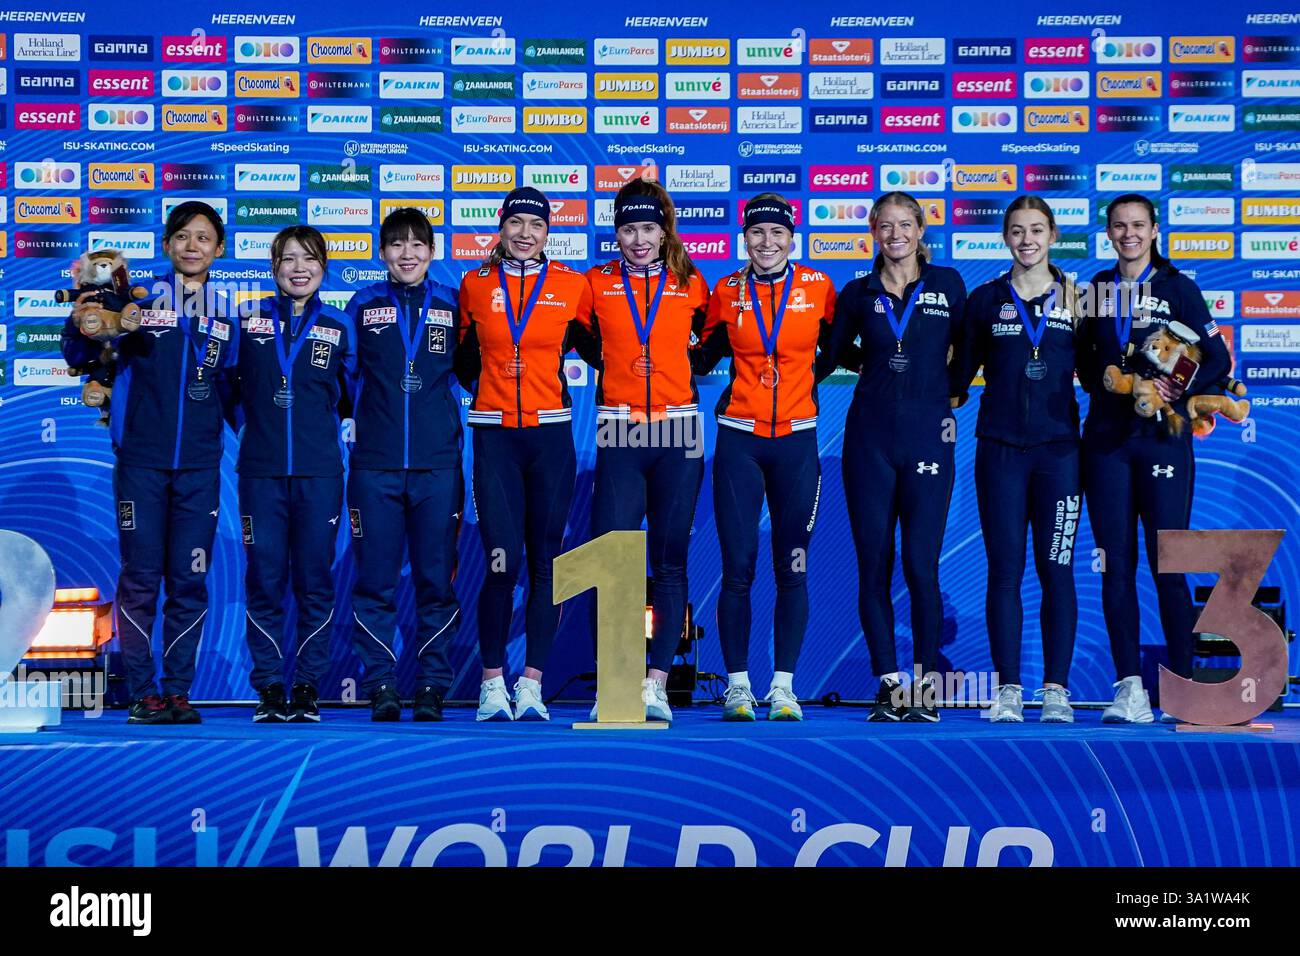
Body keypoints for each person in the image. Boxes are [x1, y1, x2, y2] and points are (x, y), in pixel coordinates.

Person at [61, 200, 238, 723]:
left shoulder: (226, 308)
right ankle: (142, 691)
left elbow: (232, 386)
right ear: (167, 245)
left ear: (219, 249)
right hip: (141, 461)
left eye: (203, 238)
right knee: (141, 577)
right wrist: (84, 323)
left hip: (200, 466)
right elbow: (80, 351)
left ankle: (178, 690)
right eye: (182, 236)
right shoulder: (134, 298)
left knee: (189, 578)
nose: (192, 246)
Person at [1079, 193, 1231, 723]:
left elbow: (1218, 358)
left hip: (1164, 442)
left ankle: (1185, 688)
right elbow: (1082, 364)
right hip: (1106, 444)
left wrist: (1177, 392)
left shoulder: (1178, 289)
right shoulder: (1095, 290)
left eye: (1138, 225)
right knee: (1116, 568)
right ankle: (1130, 690)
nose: (1129, 234)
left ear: (1154, 229)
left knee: (1171, 568)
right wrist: (1118, 386)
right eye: (1119, 226)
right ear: (1109, 233)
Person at [819, 190, 968, 723]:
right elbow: (831, 353)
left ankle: (924, 685)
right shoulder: (857, 293)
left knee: (921, 566)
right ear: (874, 232)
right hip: (869, 440)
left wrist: (946, 391)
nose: (897, 234)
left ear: (921, 230)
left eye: (906, 225)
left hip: (930, 437)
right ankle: (888, 683)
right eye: (886, 225)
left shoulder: (948, 284)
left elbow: (970, 349)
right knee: (873, 564)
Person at [693, 194, 836, 721]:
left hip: (797, 441)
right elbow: (702, 355)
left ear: (791, 239)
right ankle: (736, 686)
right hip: (740, 441)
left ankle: (782, 687)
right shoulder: (726, 292)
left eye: (777, 233)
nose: (766, 242)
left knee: (792, 566)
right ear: (744, 238)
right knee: (738, 568)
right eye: (757, 233)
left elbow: (840, 347)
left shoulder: (818, 288)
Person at [456, 187, 595, 721]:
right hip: (494, 435)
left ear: (548, 232)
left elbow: (604, 347)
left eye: (535, 225)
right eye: (515, 222)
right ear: (501, 227)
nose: (525, 233)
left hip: (551, 435)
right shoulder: (475, 283)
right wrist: (490, 391)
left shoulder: (571, 285)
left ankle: (532, 684)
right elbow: (466, 356)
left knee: (546, 564)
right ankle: (493, 684)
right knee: (499, 562)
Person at [584, 179, 710, 722]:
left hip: (678, 431)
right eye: (628, 228)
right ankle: (615, 682)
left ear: (665, 233)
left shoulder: (691, 283)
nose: (638, 239)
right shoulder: (594, 283)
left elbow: (709, 345)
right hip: (621, 430)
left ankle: (656, 685)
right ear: (616, 232)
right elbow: (575, 338)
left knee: (668, 559)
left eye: (648, 229)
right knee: (614, 560)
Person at [964, 196, 1081, 724]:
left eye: (1037, 230)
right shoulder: (986, 299)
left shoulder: (1080, 299)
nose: (1027, 240)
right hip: (1001, 452)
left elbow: (1110, 369)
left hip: (1061, 456)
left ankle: (1055, 688)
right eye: (1017, 231)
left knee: (1057, 570)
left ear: (1052, 234)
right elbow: (955, 373)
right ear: (1005, 238)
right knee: (1005, 572)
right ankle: (1009, 688)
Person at [344, 208, 463, 722]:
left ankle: (434, 683)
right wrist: (361, 421)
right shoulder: (362, 303)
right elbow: (343, 375)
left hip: (438, 466)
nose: (407, 253)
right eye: (396, 244)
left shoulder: (454, 305)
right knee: (376, 581)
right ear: (382, 252)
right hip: (375, 467)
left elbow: (477, 370)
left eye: (418, 244)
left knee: (436, 581)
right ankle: (381, 685)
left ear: (432, 253)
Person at [234, 226, 356, 722]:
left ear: (324, 267)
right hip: (260, 474)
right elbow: (224, 387)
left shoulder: (341, 325)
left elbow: (352, 395)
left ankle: (306, 684)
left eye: (309, 259)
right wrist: (254, 429)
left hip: (319, 473)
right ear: (273, 266)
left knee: (314, 581)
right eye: (288, 259)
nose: (298, 268)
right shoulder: (247, 320)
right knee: (264, 580)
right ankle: (267, 686)